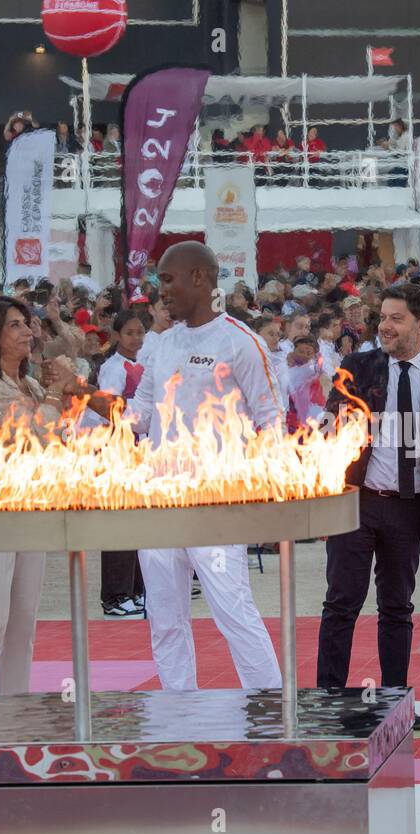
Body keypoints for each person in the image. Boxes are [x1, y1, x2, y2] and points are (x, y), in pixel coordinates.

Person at [128, 242, 283, 691]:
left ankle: (268, 709)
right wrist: (89, 403)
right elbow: (140, 412)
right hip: (157, 501)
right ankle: (180, 711)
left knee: (233, 612)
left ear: (200, 277)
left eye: (168, 279)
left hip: (215, 502)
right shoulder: (161, 344)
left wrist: (266, 492)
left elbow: (271, 419)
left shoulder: (241, 342)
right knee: (165, 619)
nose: (161, 290)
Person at [317, 283, 420, 728]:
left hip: (409, 507)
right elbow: (329, 429)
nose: (384, 325)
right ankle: (328, 704)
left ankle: (396, 703)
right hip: (356, 503)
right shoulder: (357, 367)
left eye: (396, 318)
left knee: (397, 607)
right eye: (382, 316)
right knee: (341, 603)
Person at [0, 296, 97, 694]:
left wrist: (65, 392)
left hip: (30, 509)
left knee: (22, 627)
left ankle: (14, 711)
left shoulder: (29, 385)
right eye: (15, 325)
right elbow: (27, 436)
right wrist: (54, 393)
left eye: (28, 323)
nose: (28, 332)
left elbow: (56, 439)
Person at [95, 311, 147, 618]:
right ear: (117, 335)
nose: (136, 338)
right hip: (119, 448)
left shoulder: (144, 365)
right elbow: (109, 408)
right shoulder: (112, 369)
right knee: (119, 524)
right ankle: (114, 595)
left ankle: (136, 589)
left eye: (140, 332)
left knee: (138, 522)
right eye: (129, 333)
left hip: (142, 447)